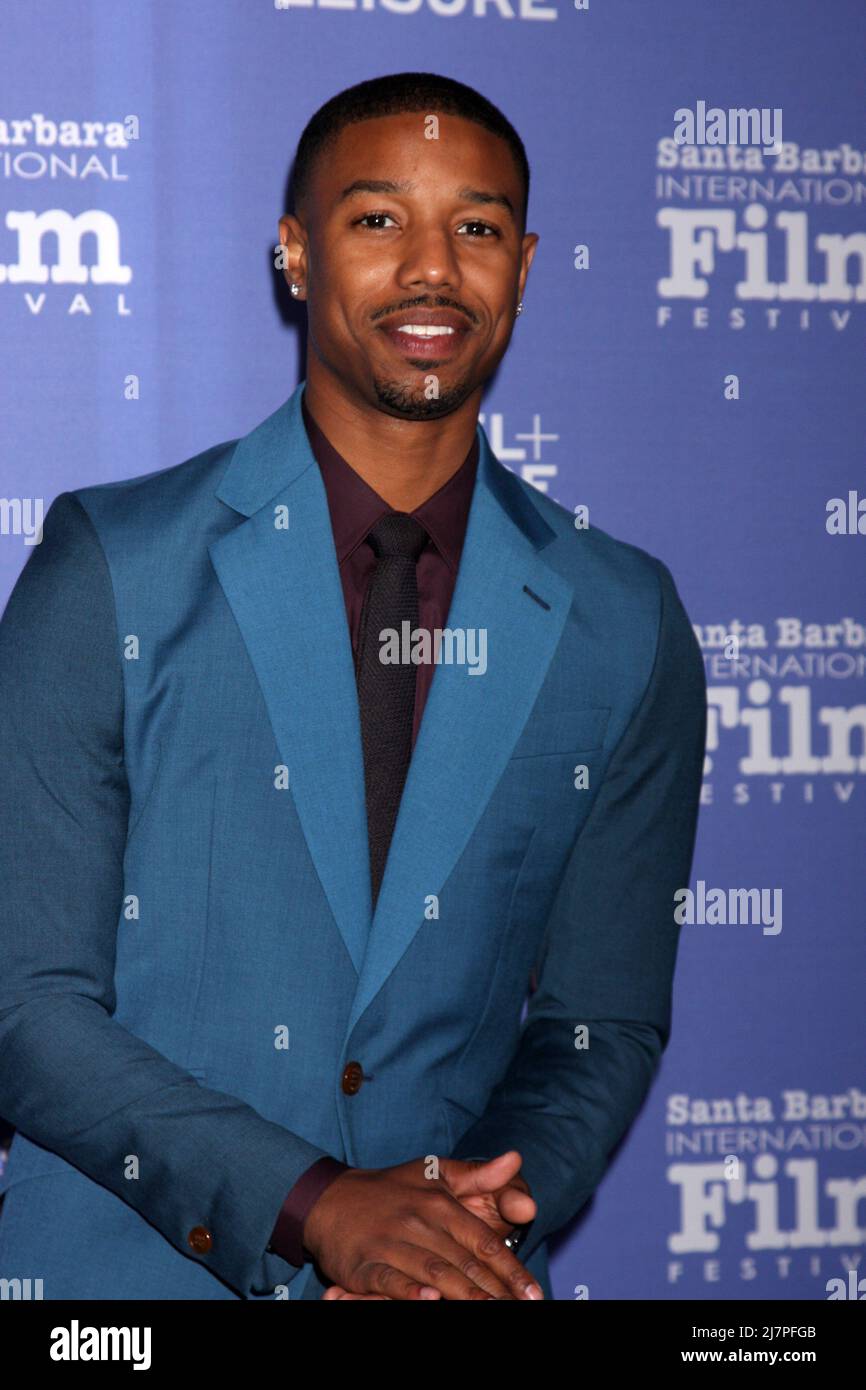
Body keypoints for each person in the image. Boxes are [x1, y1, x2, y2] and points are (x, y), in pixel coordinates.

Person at [0, 71, 706, 1301]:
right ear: (293, 254)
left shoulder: (620, 620)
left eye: (474, 229)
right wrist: (317, 1208)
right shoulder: (113, 567)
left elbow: (601, 1020)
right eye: (377, 219)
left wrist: (466, 1221)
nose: (431, 269)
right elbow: (24, 1001)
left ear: (524, 266)